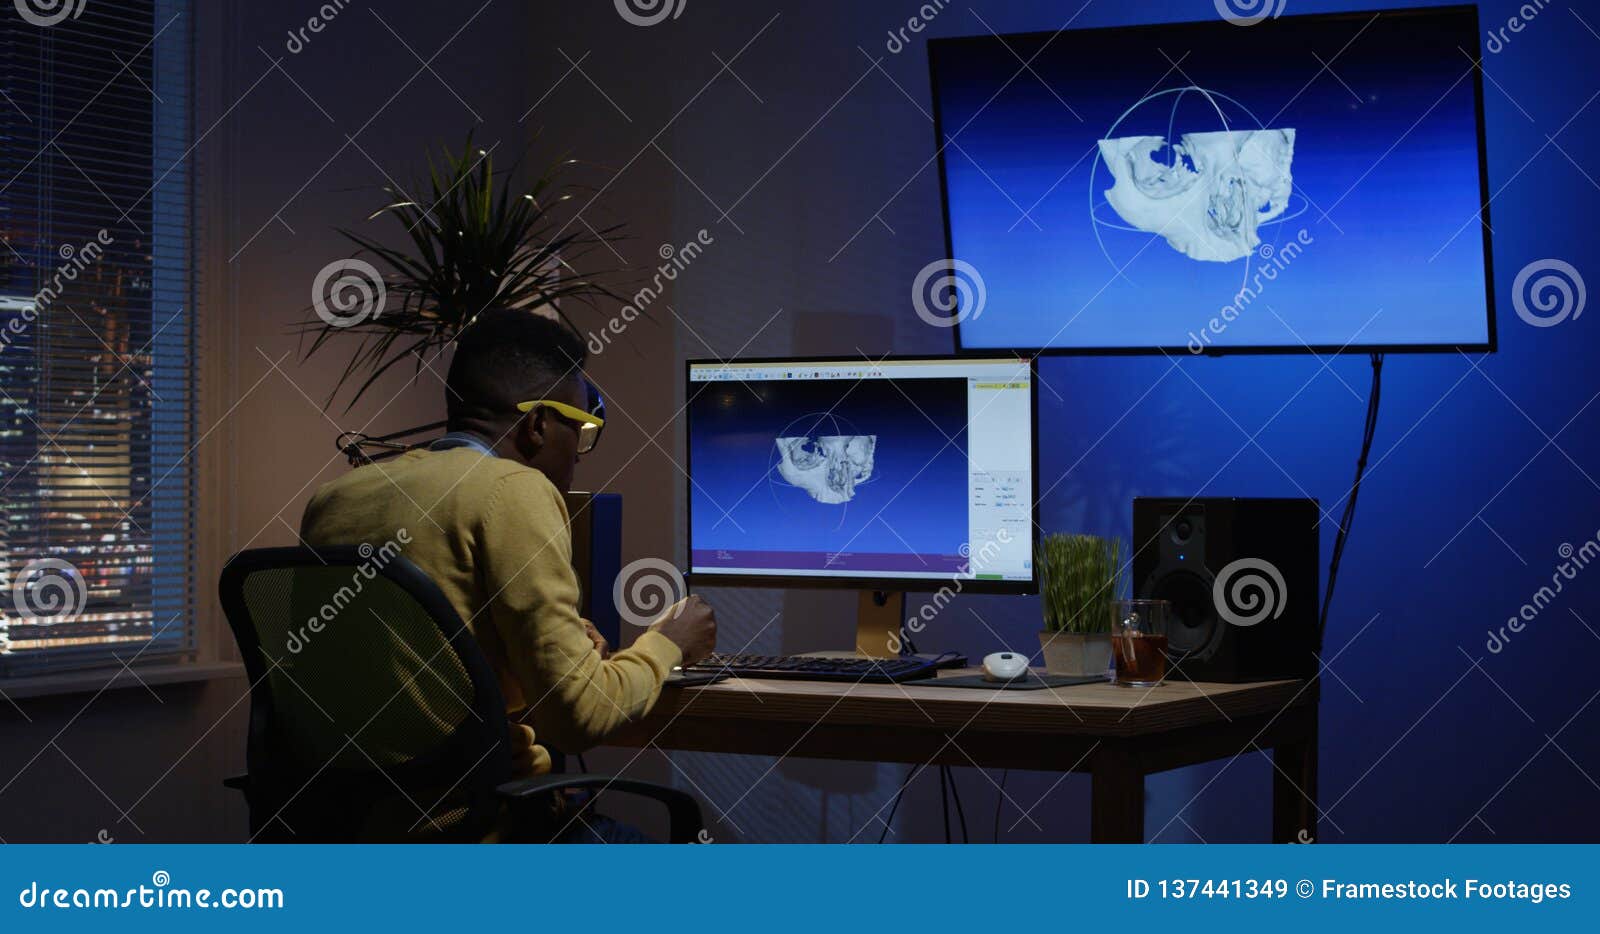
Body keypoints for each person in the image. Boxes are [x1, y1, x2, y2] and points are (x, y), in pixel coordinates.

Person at [299, 306, 717, 841]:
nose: (579, 456)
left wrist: (538, 655)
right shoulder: (514, 490)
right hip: (475, 832)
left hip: (344, 835)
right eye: (581, 430)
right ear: (538, 425)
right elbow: (578, 720)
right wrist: (669, 643)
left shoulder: (334, 497)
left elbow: (403, 668)